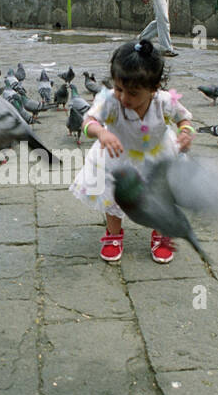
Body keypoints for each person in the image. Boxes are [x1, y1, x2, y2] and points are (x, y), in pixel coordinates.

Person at [70, 40, 195, 264]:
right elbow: (88, 121)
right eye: (119, 89)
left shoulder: (164, 102)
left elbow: (183, 117)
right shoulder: (110, 101)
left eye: (134, 93)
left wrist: (185, 131)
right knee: (112, 196)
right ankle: (113, 234)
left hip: (157, 156)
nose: (125, 98)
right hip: (119, 157)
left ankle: (161, 233)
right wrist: (101, 133)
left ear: (153, 89)